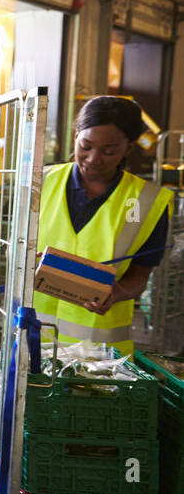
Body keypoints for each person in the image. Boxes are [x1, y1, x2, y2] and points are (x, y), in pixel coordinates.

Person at [34, 95, 174, 355]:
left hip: (99, 353)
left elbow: (140, 277)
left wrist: (117, 292)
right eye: (85, 146)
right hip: (31, 340)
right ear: (76, 136)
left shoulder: (147, 201)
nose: (93, 158)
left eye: (109, 151)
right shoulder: (41, 183)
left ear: (128, 149)